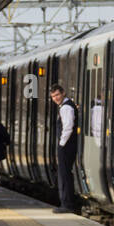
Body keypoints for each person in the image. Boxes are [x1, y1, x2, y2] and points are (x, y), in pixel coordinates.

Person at [49, 83, 79, 214]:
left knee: (64, 174)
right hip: (68, 145)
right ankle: (67, 202)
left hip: (66, 146)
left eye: (57, 95)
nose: (55, 98)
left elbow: (68, 127)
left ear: (63, 93)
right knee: (65, 173)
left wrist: (61, 144)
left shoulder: (66, 108)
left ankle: (67, 204)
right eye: (53, 96)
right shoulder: (66, 106)